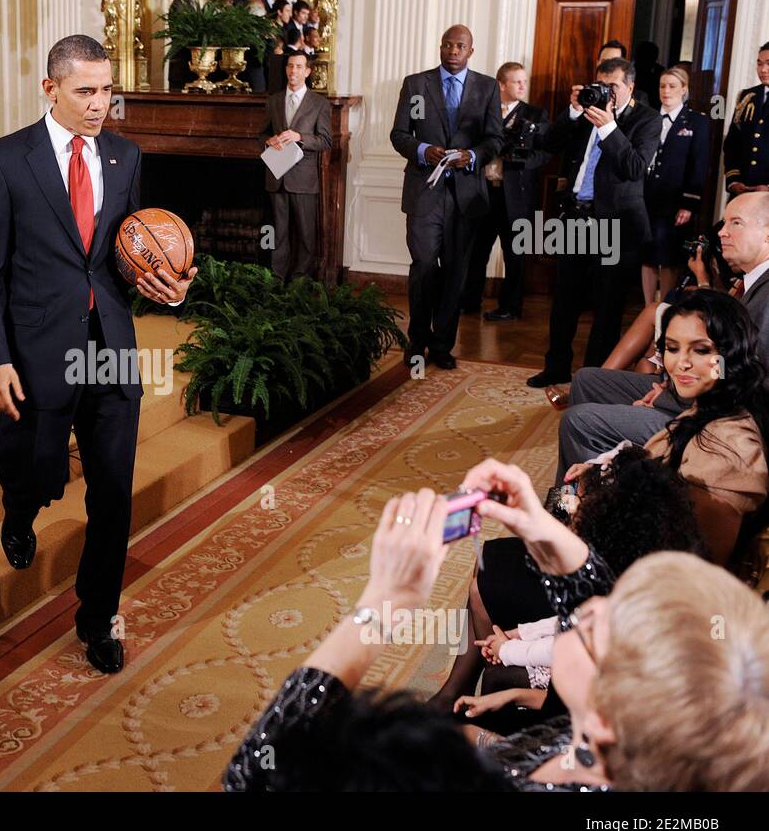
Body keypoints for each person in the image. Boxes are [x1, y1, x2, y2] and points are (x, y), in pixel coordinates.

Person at [224, 468, 769, 791]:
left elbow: (256, 775)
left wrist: (384, 602)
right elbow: (593, 597)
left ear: (607, 719)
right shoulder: (650, 758)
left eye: (602, 632)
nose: (596, 607)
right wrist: (542, 530)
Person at [0, 35, 195, 675]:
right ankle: (18, 512)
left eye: (106, 90)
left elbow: (130, 254)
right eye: (85, 91)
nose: (99, 104)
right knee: (33, 471)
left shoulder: (125, 156)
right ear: (51, 89)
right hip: (37, 350)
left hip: (110, 349)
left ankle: (97, 621)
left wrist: (169, 284)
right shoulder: (3, 162)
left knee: (113, 494)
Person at [428, 446, 704, 728]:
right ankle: (455, 691)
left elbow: (567, 640)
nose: (570, 508)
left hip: (597, 692)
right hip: (580, 642)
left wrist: (510, 651)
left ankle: (478, 708)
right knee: (489, 558)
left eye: (578, 506)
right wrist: (520, 635)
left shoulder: (621, 597)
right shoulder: (623, 559)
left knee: (496, 667)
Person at [562, 289, 769, 568]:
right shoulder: (708, 407)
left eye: (701, 350)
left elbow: (697, 568)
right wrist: (603, 474)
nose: (681, 363)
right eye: (672, 348)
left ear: (730, 354)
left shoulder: (728, 449)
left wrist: (587, 513)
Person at [557, 192, 769, 464]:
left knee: (579, 421)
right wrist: (671, 388)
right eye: (724, 222)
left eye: (735, 223)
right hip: (701, 398)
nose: (722, 232)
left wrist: (671, 398)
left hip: (720, 425)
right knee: (588, 380)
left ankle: (592, 491)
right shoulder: (753, 282)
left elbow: (747, 384)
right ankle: (596, 481)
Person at [525, 58, 661, 388]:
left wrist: (608, 127)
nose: (605, 92)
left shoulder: (647, 119)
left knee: (607, 305)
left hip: (616, 224)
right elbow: (548, 144)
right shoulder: (586, 111)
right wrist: (573, 111)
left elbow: (634, 167)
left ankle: (593, 378)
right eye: (600, 85)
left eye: (613, 86)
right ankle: (556, 367)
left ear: (630, 87)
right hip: (576, 216)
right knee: (564, 299)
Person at [390, 24, 504, 370]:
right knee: (424, 266)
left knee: (456, 272)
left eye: (460, 46)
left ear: (471, 51)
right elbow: (400, 134)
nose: (453, 51)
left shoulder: (487, 87)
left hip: (466, 198)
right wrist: (423, 150)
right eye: (448, 45)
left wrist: (473, 156)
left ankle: (442, 345)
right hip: (424, 193)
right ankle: (417, 341)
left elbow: (495, 139)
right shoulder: (416, 85)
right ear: (440, 47)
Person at [462, 62, 549, 321]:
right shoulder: (483, 112)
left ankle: (511, 307)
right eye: (517, 81)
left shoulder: (535, 114)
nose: (523, 86)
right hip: (483, 192)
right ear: (501, 84)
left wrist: (517, 159)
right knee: (477, 251)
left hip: (516, 195)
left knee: (515, 255)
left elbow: (544, 153)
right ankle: (469, 301)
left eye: (524, 81)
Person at [259, 50, 331, 282]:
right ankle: (276, 279)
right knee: (277, 234)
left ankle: (300, 282)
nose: (293, 71)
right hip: (276, 177)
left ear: (308, 72)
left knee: (305, 235)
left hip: (304, 180)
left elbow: (325, 141)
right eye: (290, 66)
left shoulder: (319, 104)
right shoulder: (273, 100)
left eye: (299, 67)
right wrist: (268, 141)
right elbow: (261, 135)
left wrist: (299, 136)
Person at [642, 67, 710, 304]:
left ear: (684, 89)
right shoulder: (649, 117)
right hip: (646, 198)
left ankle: (665, 307)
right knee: (647, 256)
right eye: (662, 86)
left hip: (674, 202)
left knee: (668, 258)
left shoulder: (697, 122)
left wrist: (688, 204)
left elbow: (699, 165)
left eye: (672, 86)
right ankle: (648, 307)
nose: (666, 91)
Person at [724, 42, 769, 198]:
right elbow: (732, 142)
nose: (763, 70)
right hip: (742, 191)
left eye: (768, 63)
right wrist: (734, 180)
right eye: (759, 64)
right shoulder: (747, 96)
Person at [166, 0, 199, 92]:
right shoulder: (178, 4)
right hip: (181, 57)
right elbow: (179, 31)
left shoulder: (195, 2)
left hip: (191, 57)